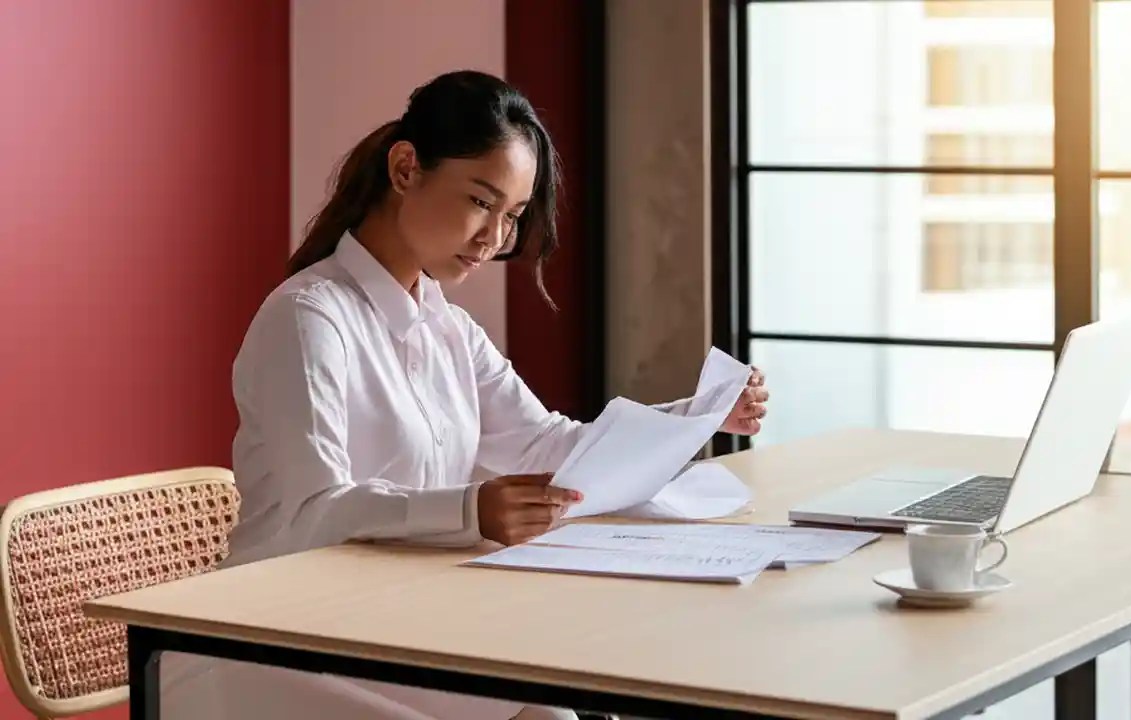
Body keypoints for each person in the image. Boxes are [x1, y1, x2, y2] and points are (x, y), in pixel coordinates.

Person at [160, 70, 769, 720]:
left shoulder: (447, 326)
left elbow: (548, 445)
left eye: (512, 216)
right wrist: (469, 511)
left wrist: (697, 414)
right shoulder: (309, 318)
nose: (496, 238)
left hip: (391, 619)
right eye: (481, 201)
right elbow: (309, 515)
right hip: (269, 641)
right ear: (405, 169)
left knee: (571, 699)